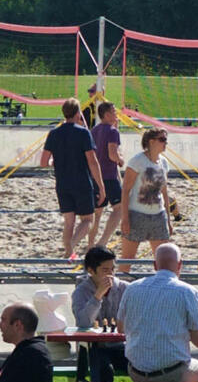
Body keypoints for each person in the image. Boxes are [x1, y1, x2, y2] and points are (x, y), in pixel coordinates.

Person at [120, 243, 198, 382]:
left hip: (136, 371)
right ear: (180, 265)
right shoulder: (186, 291)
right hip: (171, 373)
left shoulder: (132, 288)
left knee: (175, 367)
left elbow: (120, 327)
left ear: (155, 265)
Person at [41, 98, 106, 261]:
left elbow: (43, 162)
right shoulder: (83, 132)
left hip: (62, 182)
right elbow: (92, 161)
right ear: (78, 113)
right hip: (82, 181)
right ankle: (70, 247)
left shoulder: (54, 133)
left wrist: (53, 162)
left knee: (69, 221)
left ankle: (68, 253)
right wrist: (101, 186)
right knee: (87, 220)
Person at [71, 246, 131, 382]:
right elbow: (83, 323)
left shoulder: (125, 289)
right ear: (91, 271)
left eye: (113, 269)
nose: (110, 274)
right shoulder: (81, 292)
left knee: (144, 369)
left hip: (120, 345)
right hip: (94, 347)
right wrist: (97, 296)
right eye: (105, 270)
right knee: (104, 371)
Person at [120, 127, 176, 259]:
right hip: (137, 215)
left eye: (166, 140)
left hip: (158, 215)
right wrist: (125, 219)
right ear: (151, 142)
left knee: (163, 260)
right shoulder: (137, 161)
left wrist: (168, 220)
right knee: (127, 259)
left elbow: (164, 192)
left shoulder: (163, 162)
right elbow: (126, 190)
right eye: (162, 139)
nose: (165, 143)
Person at [89, 102, 126, 248]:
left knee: (96, 214)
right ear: (106, 114)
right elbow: (112, 154)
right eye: (113, 111)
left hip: (95, 176)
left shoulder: (95, 130)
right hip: (109, 176)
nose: (116, 113)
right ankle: (102, 242)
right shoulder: (112, 131)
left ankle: (91, 244)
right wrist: (120, 159)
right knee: (119, 208)